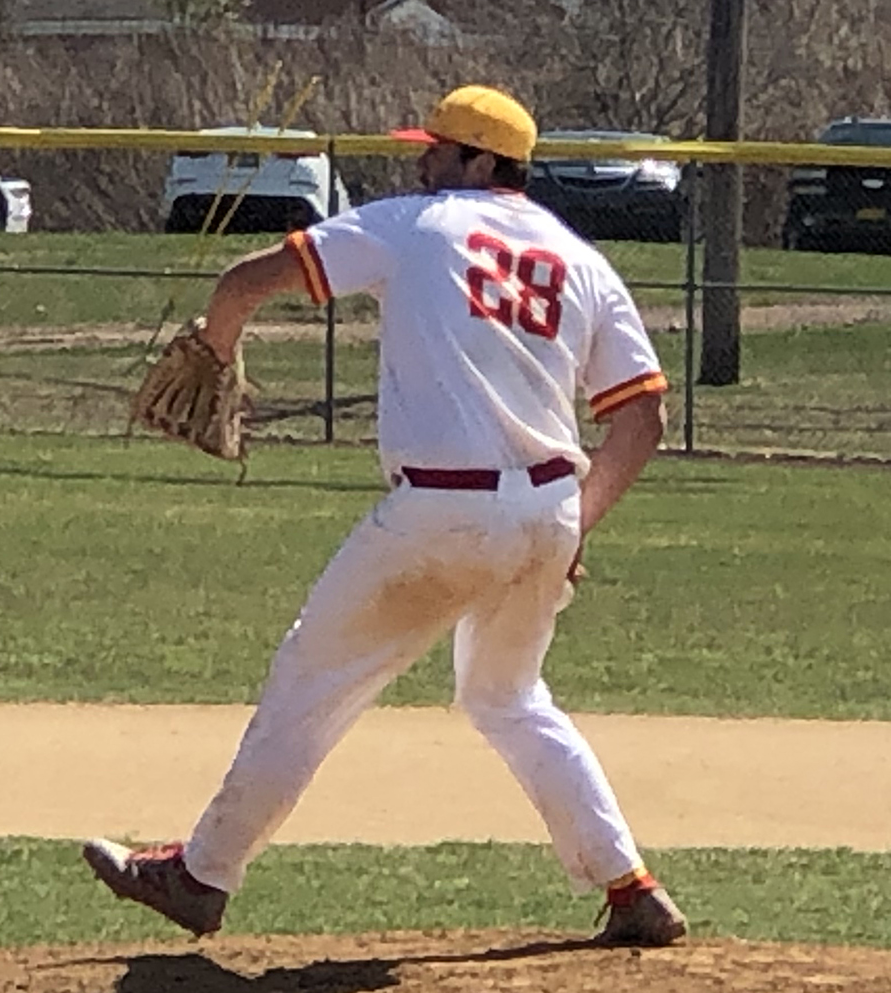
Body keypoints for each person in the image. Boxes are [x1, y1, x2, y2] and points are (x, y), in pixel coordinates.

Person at [83, 85, 685, 947]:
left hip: (442, 512)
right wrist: (579, 524)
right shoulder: (580, 258)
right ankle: (630, 888)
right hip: (549, 510)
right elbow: (643, 416)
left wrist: (215, 346)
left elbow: (246, 278)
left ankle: (202, 876)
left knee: (309, 680)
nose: (421, 159)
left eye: (439, 148)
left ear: (482, 162)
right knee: (509, 698)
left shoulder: (416, 224)